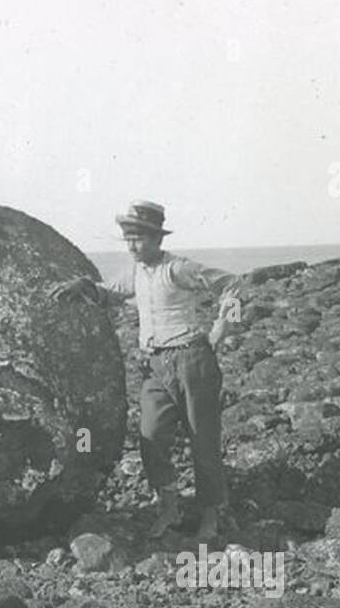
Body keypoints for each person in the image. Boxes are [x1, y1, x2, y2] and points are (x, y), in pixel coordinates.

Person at [49, 200, 241, 540]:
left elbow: (233, 284)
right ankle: (169, 508)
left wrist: (222, 328)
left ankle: (212, 515)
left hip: (192, 360)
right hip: (155, 365)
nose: (132, 247)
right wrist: (83, 285)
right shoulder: (136, 272)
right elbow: (110, 293)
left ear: (156, 239)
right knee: (150, 438)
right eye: (127, 240)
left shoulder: (178, 269)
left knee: (203, 442)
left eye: (138, 239)